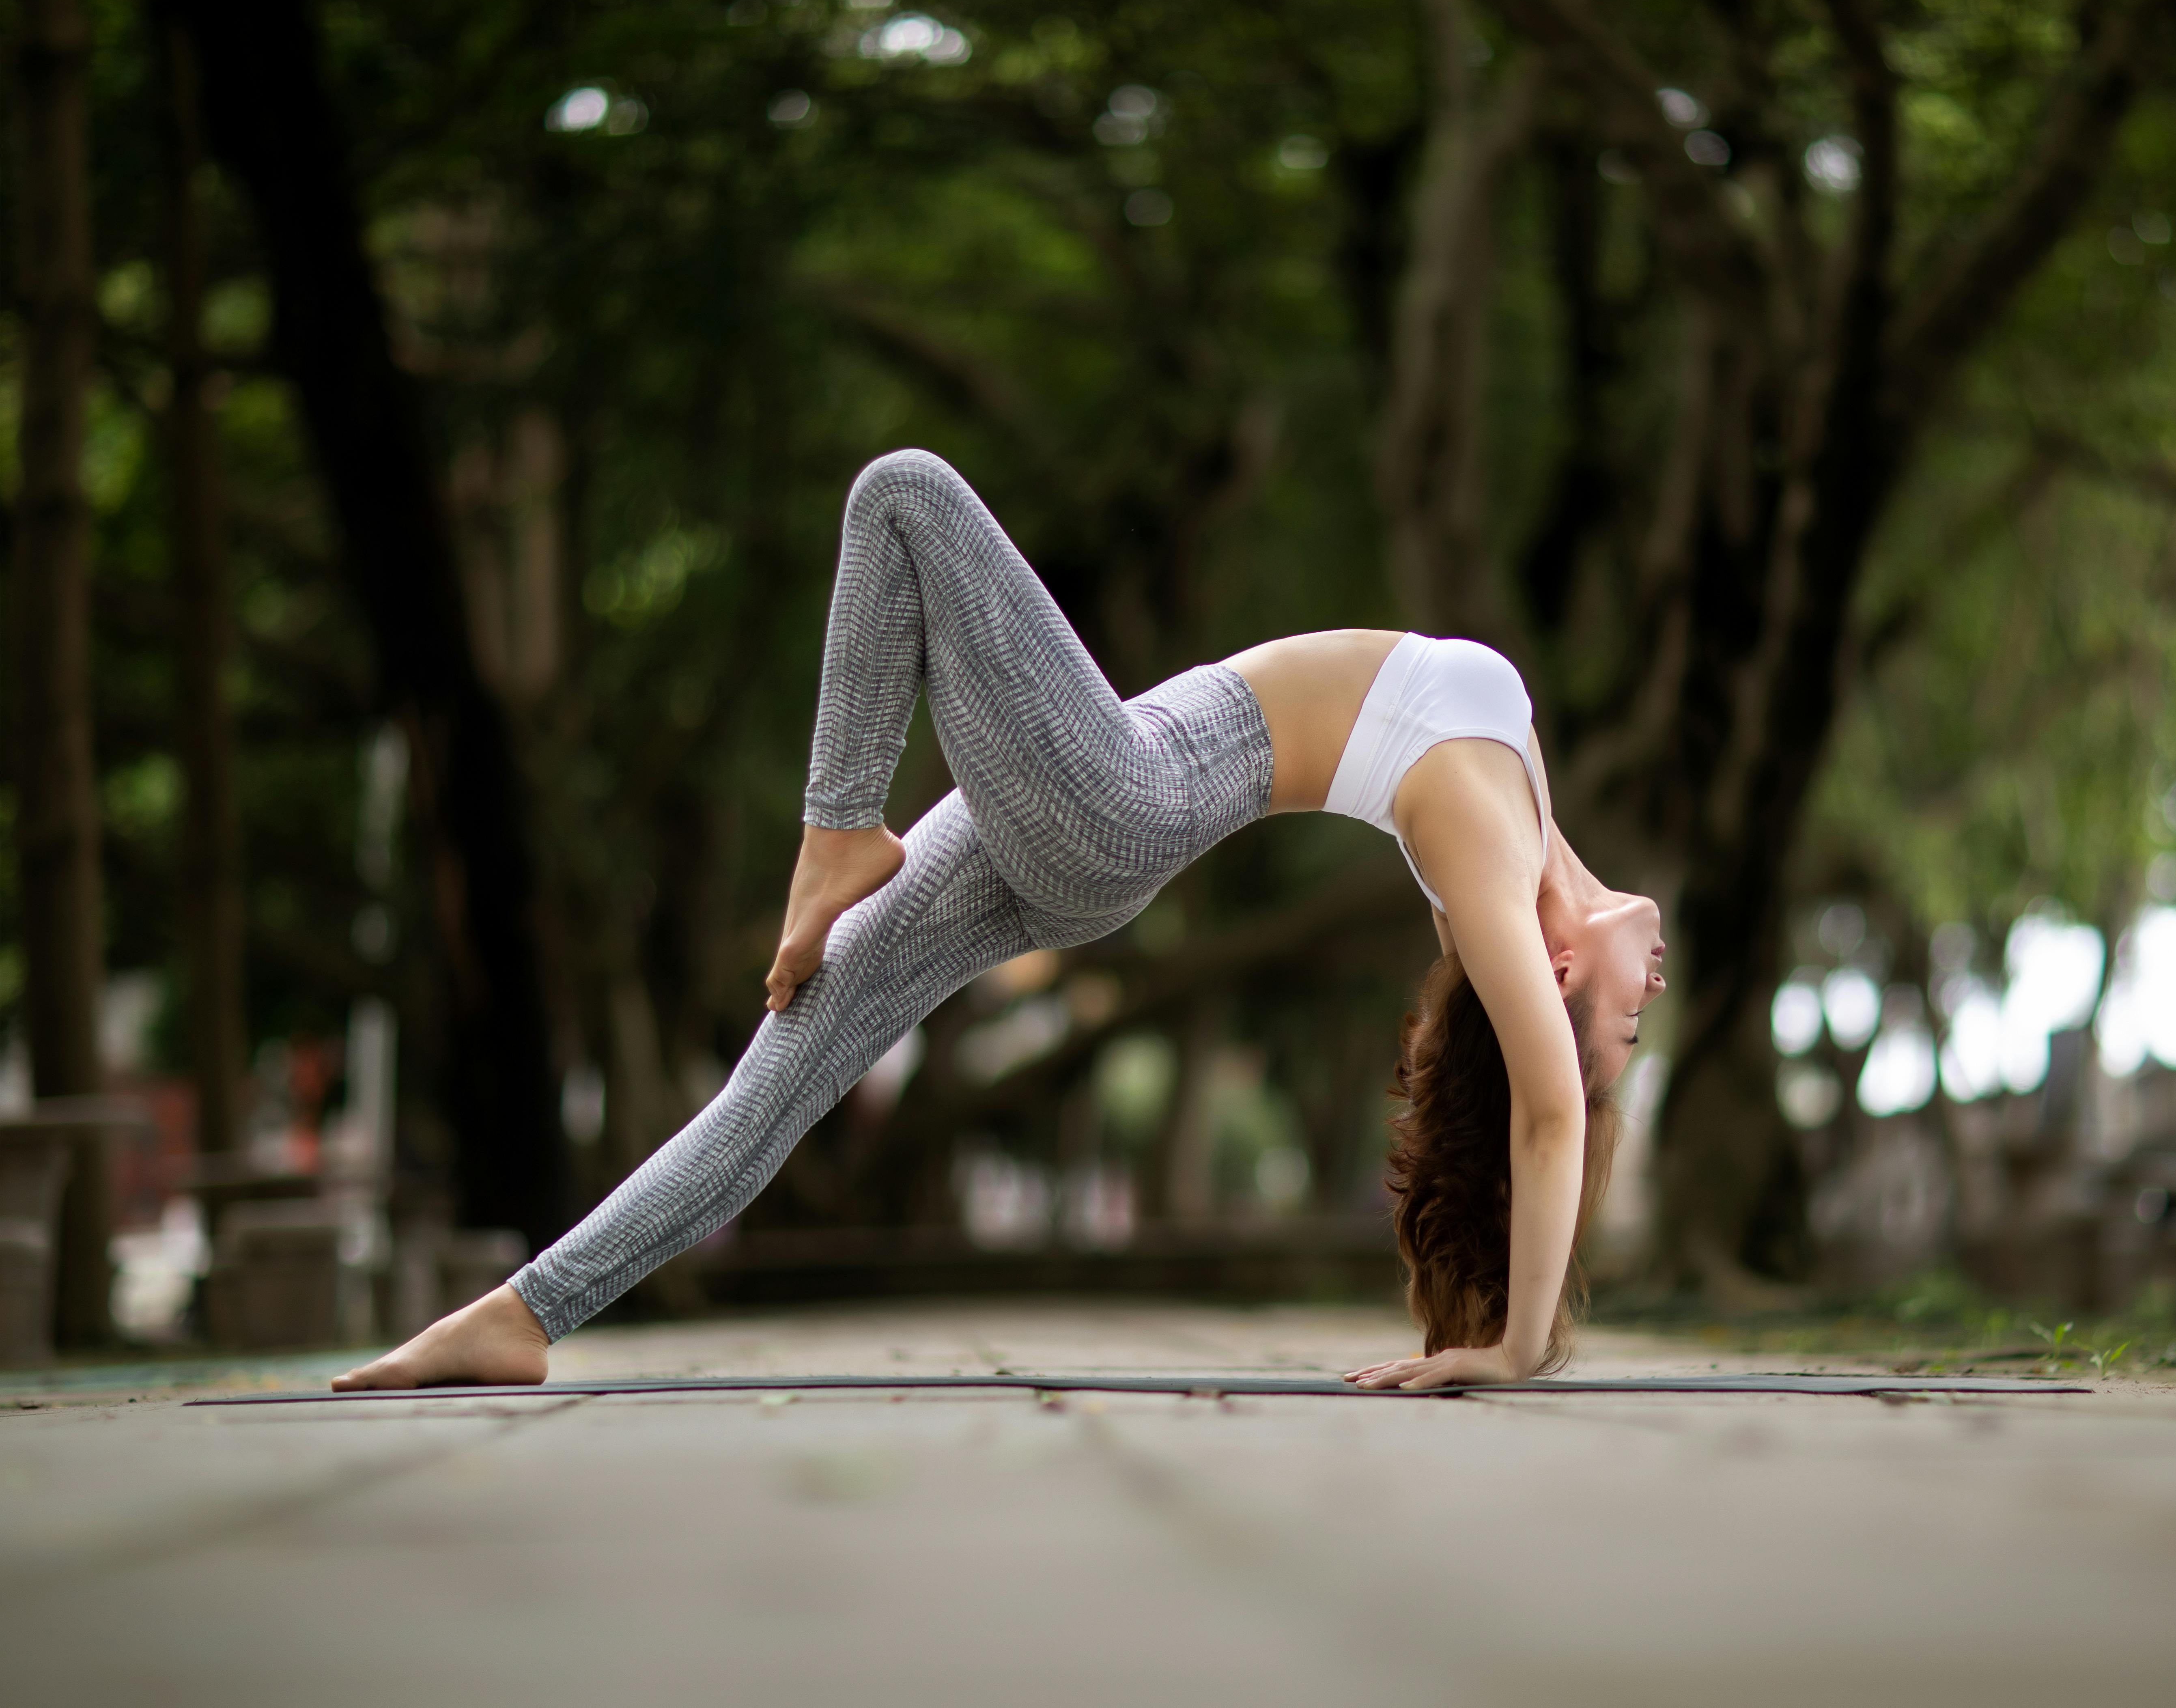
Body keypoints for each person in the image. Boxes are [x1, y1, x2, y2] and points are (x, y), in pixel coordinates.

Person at [332, 451, 1664, 1394]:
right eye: (1632, 1026)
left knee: (901, 494)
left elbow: (1545, 1116)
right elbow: (1539, 1107)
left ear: (1548, 973)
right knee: (780, 1075)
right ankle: (523, 1315)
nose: (1643, 1001)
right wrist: (1523, 1322)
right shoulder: (1526, 812)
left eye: (1613, 1025)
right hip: (1082, 812)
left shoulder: (1488, 859)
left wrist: (1512, 1344)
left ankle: (835, 831)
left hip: (1120, 799)